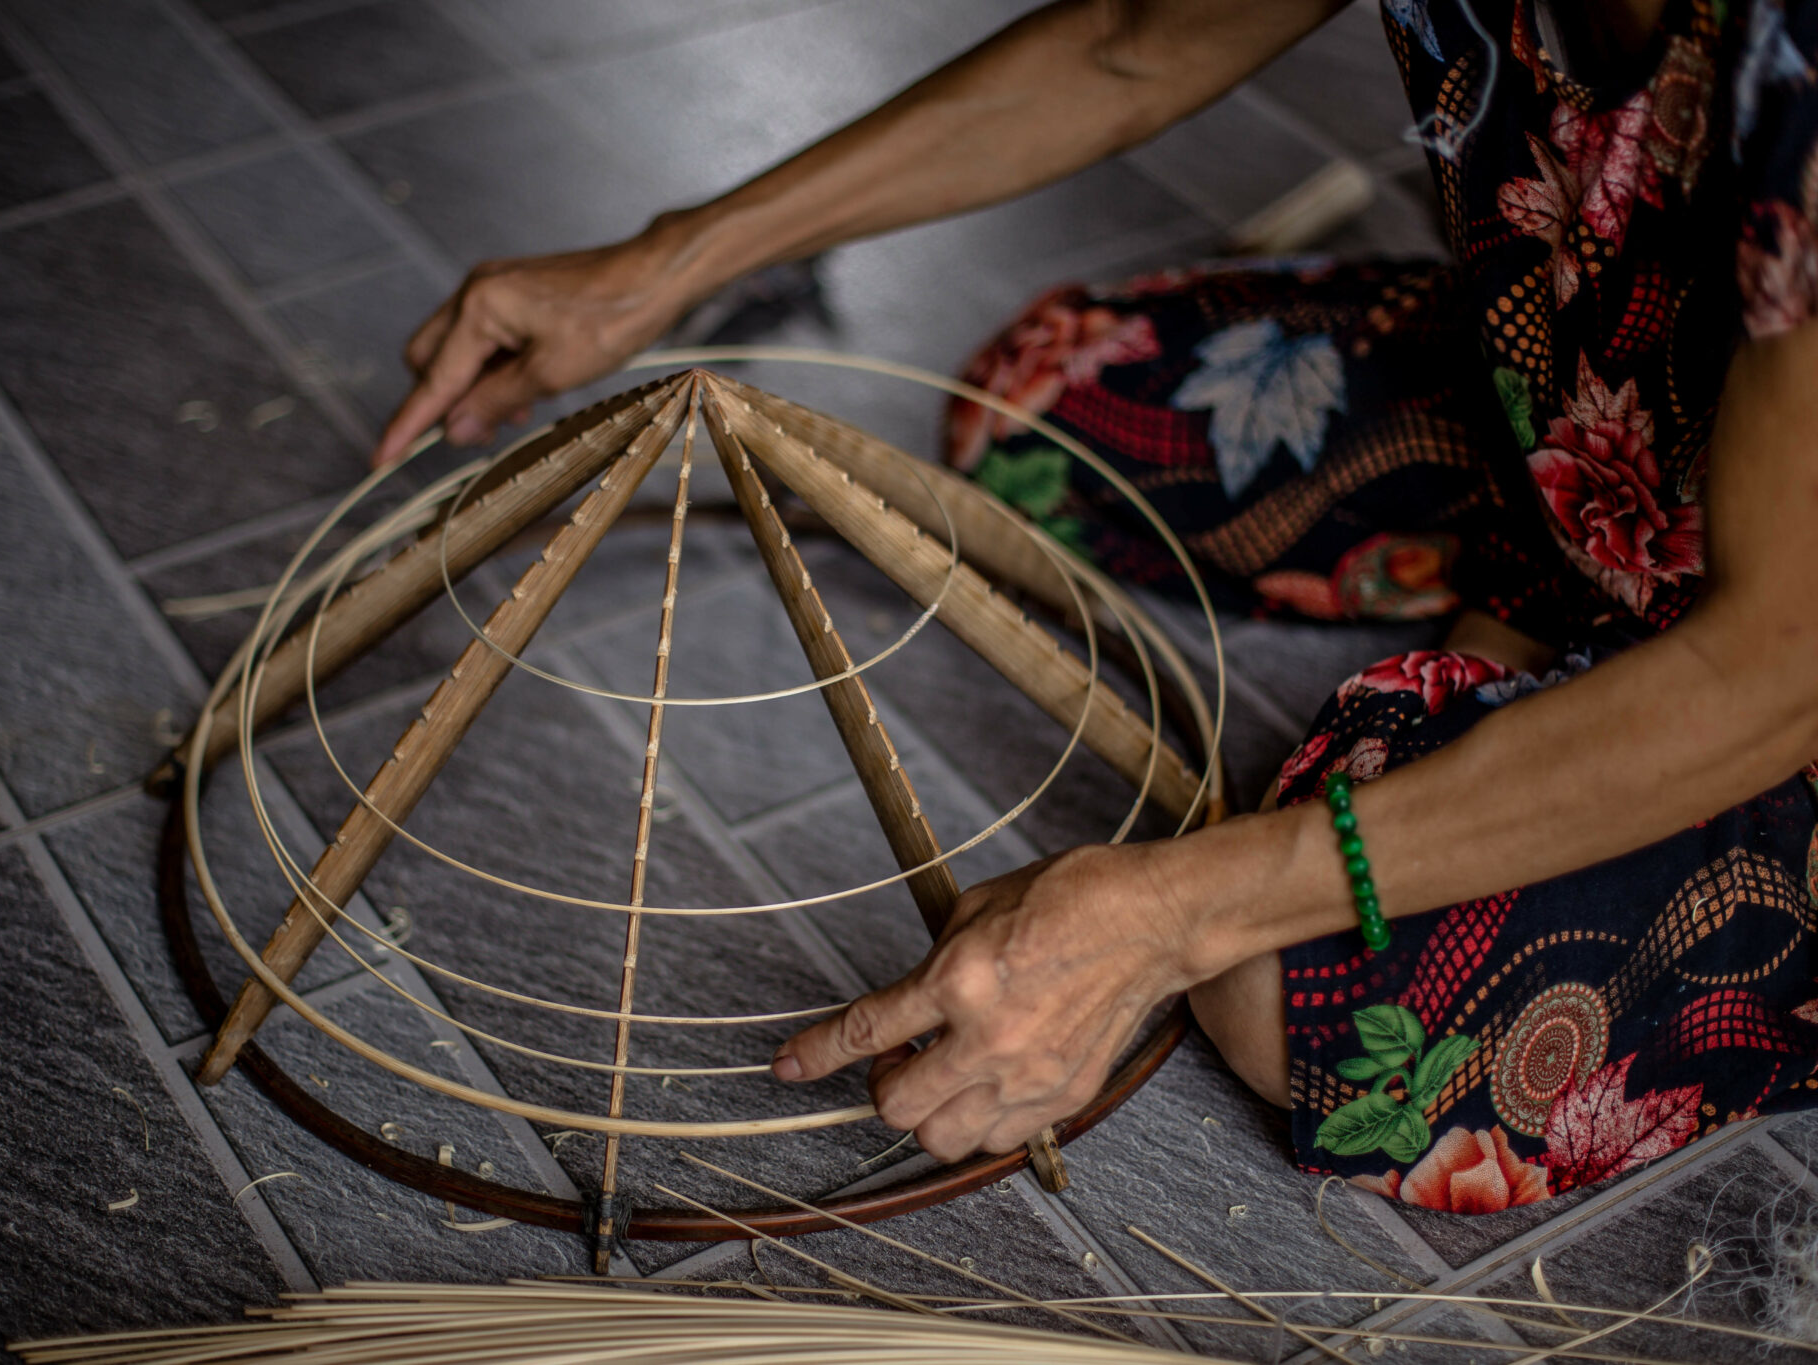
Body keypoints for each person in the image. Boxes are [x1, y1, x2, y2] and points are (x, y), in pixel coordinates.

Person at [376, 0, 1818, 1213]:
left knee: (1286, 992)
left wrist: (1171, 909)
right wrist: (664, 263)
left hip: (1786, 663)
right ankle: (1574, 541)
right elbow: (1135, 37)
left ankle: (1607, 689)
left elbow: (1776, 667)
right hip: (1632, 406)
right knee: (1045, 418)